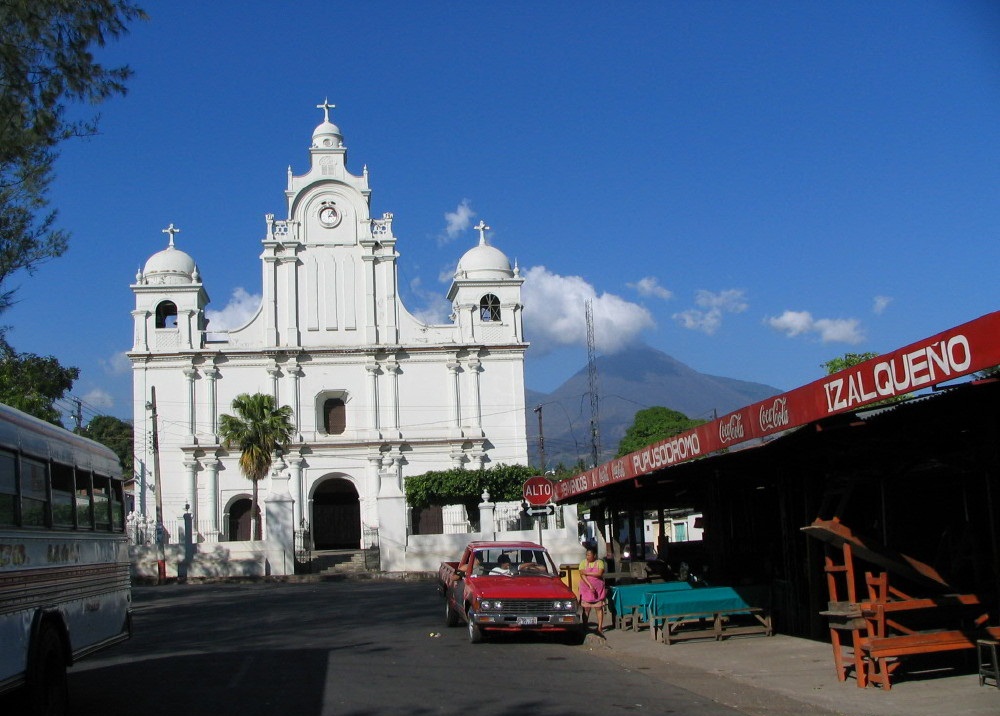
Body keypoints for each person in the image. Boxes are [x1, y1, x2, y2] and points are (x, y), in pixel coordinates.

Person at [579, 546, 607, 635]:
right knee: (586, 609)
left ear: (594, 555)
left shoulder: (600, 563)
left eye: (589, 555)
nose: (587, 556)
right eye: (586, 555)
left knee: (598, 608)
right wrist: (590, 585)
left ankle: (600, 627)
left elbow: (599, 573)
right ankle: (585, 627)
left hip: (598, 590)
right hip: (586, 589)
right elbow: (582, 574)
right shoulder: (583, 563)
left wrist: (587, 573)